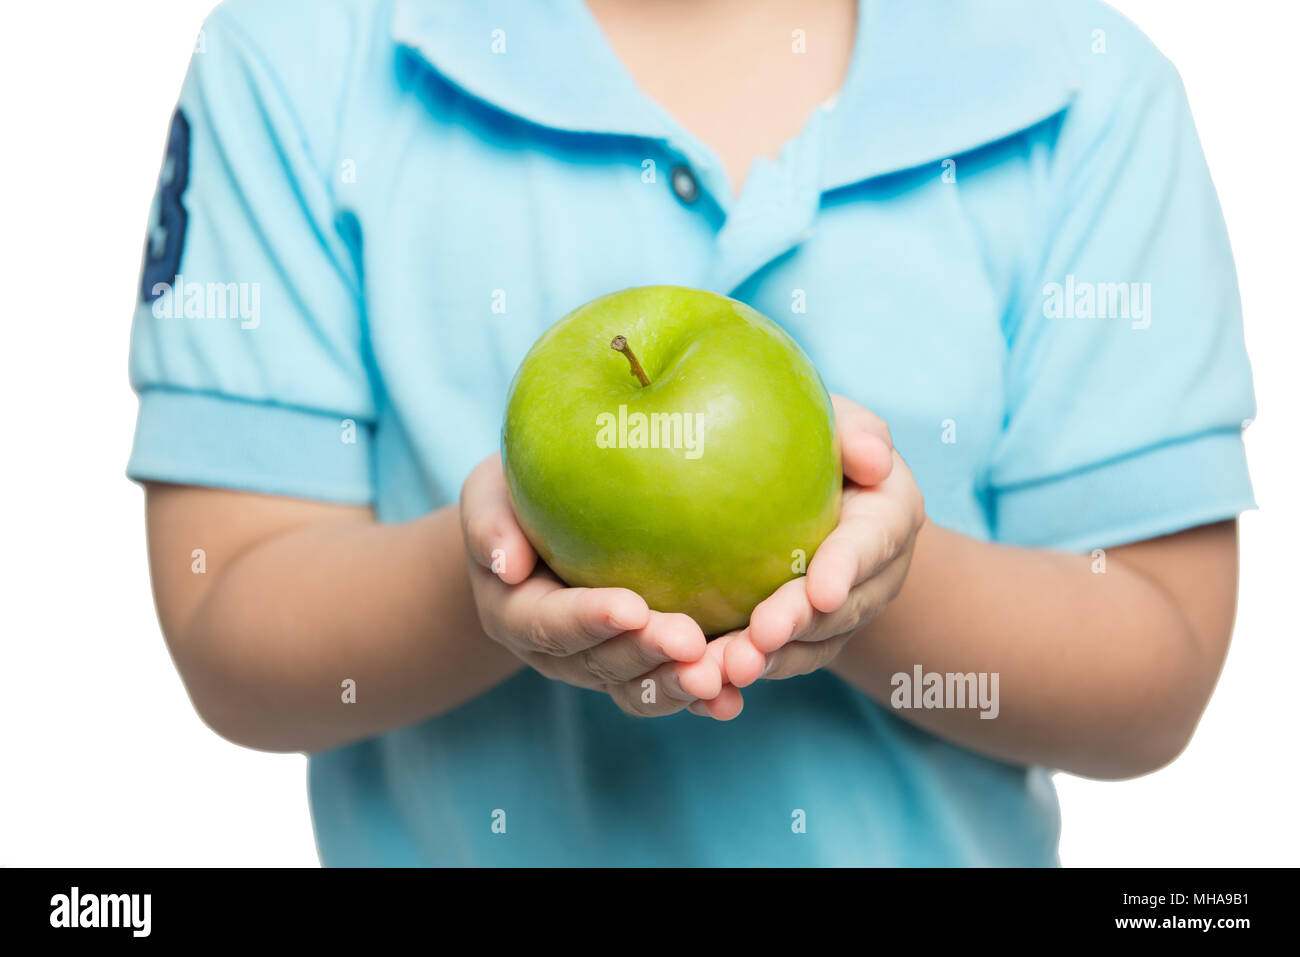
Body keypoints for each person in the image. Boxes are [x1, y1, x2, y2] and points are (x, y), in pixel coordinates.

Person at [130, 0, 1255, 865]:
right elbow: (231, 624)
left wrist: (853, 581)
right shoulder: (297, 58)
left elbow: (1154, 669)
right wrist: (486, 579)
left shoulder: (1084, 88)